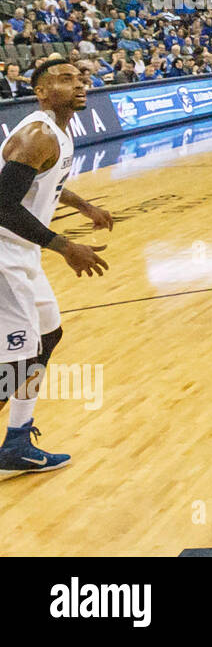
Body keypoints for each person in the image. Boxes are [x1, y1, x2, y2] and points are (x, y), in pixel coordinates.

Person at [0, 60, 112, 476]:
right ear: (41, 91)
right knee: (15, 359)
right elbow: (2, 204)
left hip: (21, 253)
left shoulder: (58, 131)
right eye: (65, 79)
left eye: (81, 77)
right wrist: (64, 245)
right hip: (3, 257)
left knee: (48, 334)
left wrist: (83, 205)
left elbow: (44, 184)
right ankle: (13, 443)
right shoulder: (37, 134)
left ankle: (16, 440)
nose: (80, 83)